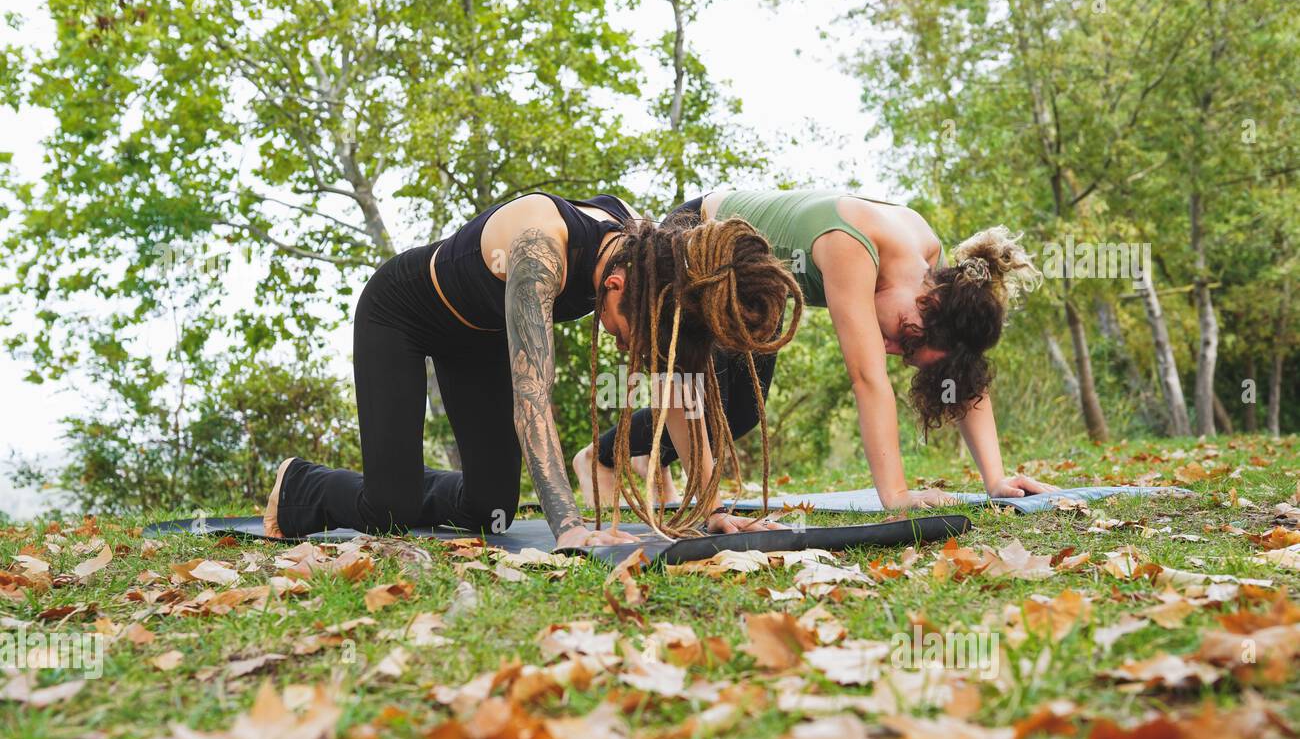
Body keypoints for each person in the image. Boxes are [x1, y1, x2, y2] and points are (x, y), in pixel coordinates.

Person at [262, 191, 803, 548]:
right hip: (401, 315)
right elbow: (532, 397)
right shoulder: (541, 252)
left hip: (476, 341)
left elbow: (672, 387)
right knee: (390, 509)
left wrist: (710, 510)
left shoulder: (644, 253)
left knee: (488, 508)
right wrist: (567, 526)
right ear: (614, 289)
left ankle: (401, 478)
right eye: (626, 333)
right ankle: (301, 486)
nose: (623, 349)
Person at [575, 189, 1058, 510]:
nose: (891, 347)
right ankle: (600, 458)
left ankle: (651, 459)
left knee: (742, 413)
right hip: (701, 234)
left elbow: (964, 368)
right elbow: (868, 382)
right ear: (927, 300)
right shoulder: (852, 249)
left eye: (906, 355)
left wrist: (996, 481)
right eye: (905, 337)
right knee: (695, 387)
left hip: (763, 281)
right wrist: (896, 495)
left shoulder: (929, 263)